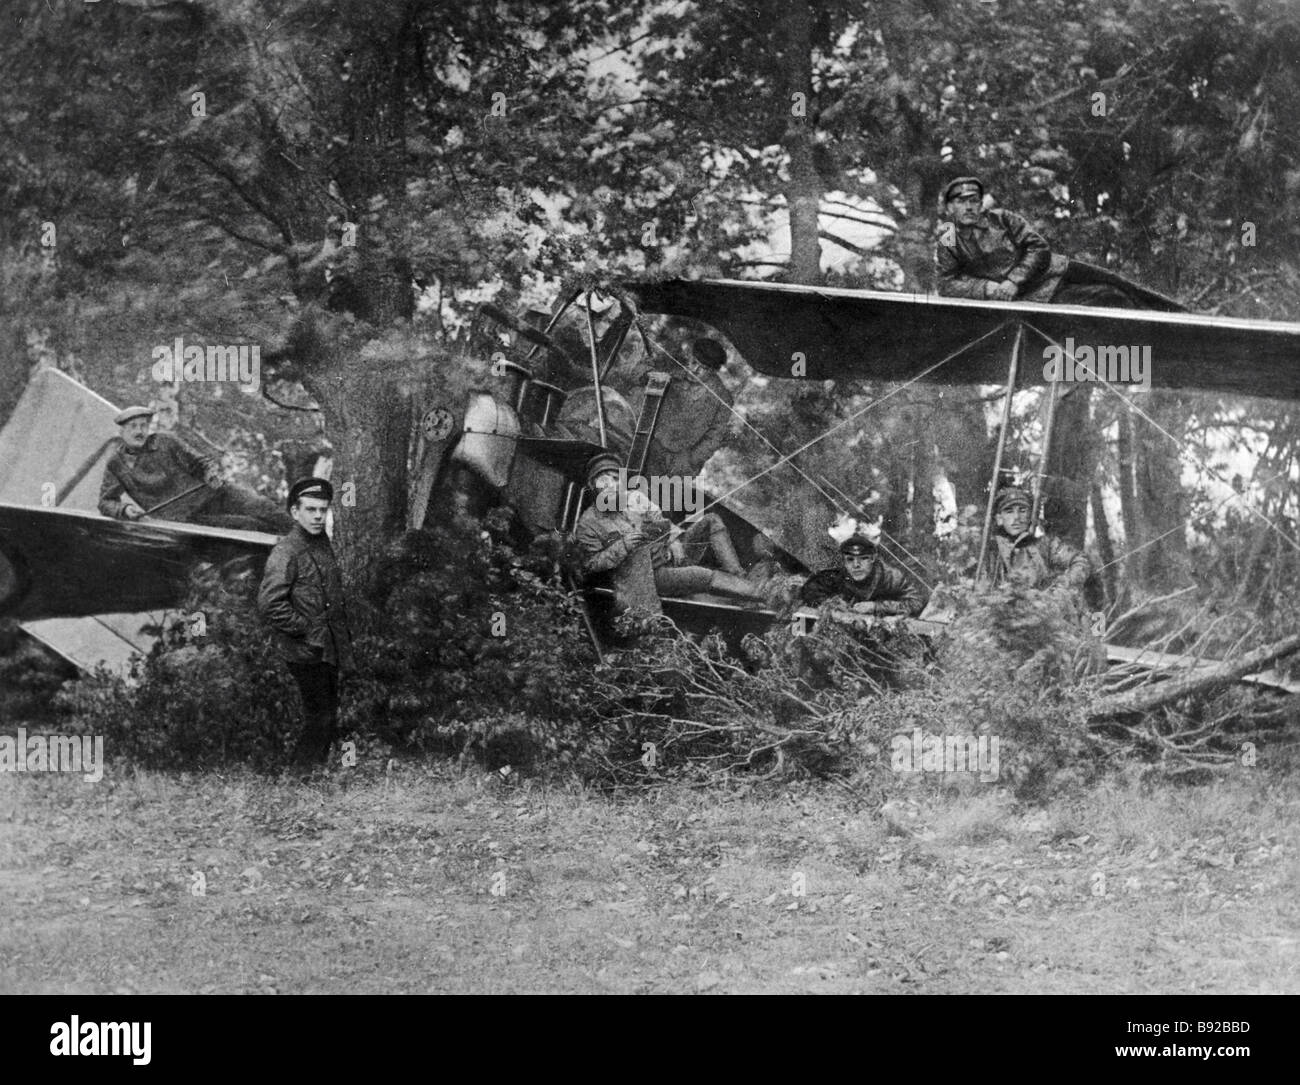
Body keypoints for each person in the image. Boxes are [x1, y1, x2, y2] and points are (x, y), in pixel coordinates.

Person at [935, 176, 1182, 310]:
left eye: (973, 201)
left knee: (1119, 283)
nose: (969, 207)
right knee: (1111, 298)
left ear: (980, 204)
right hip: (1037, 293)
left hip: (1054, 268)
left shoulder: (1002, 219)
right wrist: (986, 289)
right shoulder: (948, 237)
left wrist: (1013, 280)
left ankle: (1182, 315)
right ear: (949, 208)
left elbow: (1038, 247)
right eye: (961, 202)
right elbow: (946, 283)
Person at [574, 452, 771, 609]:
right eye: (603, 480)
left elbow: (661, 521)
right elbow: (590, 565)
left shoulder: (635, 498)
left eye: (615, 479)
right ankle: (763, 596)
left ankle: (738, 577)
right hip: (648, 577)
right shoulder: (588, 522)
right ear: (593, 485)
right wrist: (623, 546)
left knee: (711, 520)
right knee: (700, 575)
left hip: (671, 556)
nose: (611, 485)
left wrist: (674, 539)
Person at [257, 477, 354, 768]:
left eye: (323, 510)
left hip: (327, 647)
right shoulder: (286, 551)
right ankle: (302, 774)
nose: (317, 516)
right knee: (320, 716)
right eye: (311, 509)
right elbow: (270, 604)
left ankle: (313, 771)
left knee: (327, 714)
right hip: (304, 650)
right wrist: (305, 628)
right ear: (295, 512)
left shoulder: (322, 544)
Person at [98, 406, 292, 533]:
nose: (139, 431)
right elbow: (106, 502)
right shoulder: (116, 464)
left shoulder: (165, 441)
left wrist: (210, 473)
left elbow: (201, 462)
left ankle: (305, 538)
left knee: (263, 507)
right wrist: (124, 509)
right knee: (251, 526)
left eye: (143, 426)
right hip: (188, 517)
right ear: (121, 432)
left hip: (214, 492)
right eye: (133, 427)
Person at [978, 486, 1090, 595]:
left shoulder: (1045, 545)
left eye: (1022, 511)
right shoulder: (990, 549)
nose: (1016, 517)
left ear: (1031, 516)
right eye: (1009, 511)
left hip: (1038, 604)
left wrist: (1064, 585)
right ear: (999, 519)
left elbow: (1080, 560)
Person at [800, 533, 927, 617]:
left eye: (863, 558)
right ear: (844, 561)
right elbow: (810, 590)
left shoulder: (890, 576)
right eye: (850, 560)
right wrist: (834, 604)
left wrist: (876, 607)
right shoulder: (838, 575)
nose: (856, 565)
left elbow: (917, 602)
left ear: (873, 559)